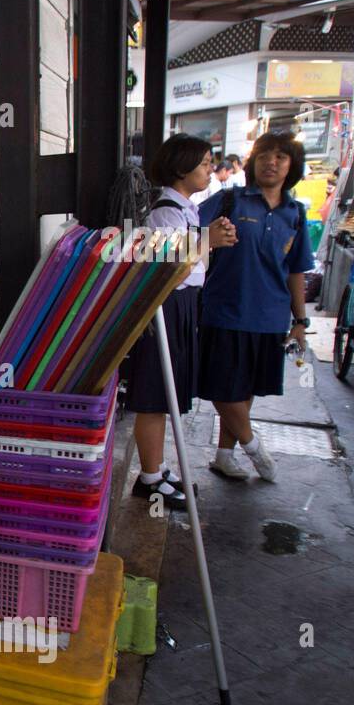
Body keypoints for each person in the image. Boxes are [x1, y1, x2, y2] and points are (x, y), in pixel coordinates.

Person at [197, 131, 314, 481]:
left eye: (281, 156)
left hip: (270, 317)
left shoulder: (296, 213)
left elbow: (296, 270)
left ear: (291, 166)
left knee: (244, 390)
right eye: (264, 154)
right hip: (225, 310)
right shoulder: (230, 200)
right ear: (253, 162)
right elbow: (185, 233)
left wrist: (301, 321)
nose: (271, 161)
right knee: (222, 387)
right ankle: (253, 446)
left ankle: (224, 455)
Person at [128, 135, 236, 509]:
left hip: (184, 305)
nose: (210, 169)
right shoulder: (165, 214)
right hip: (166, 306)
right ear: (181, 168)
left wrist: (209, 240)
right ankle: (149, 478)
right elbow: (171, 272)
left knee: (166, 394)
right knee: (155, 395)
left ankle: (156, 470)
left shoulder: (187, 210)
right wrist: (209, 242)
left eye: (210, 162)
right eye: (204, 162)